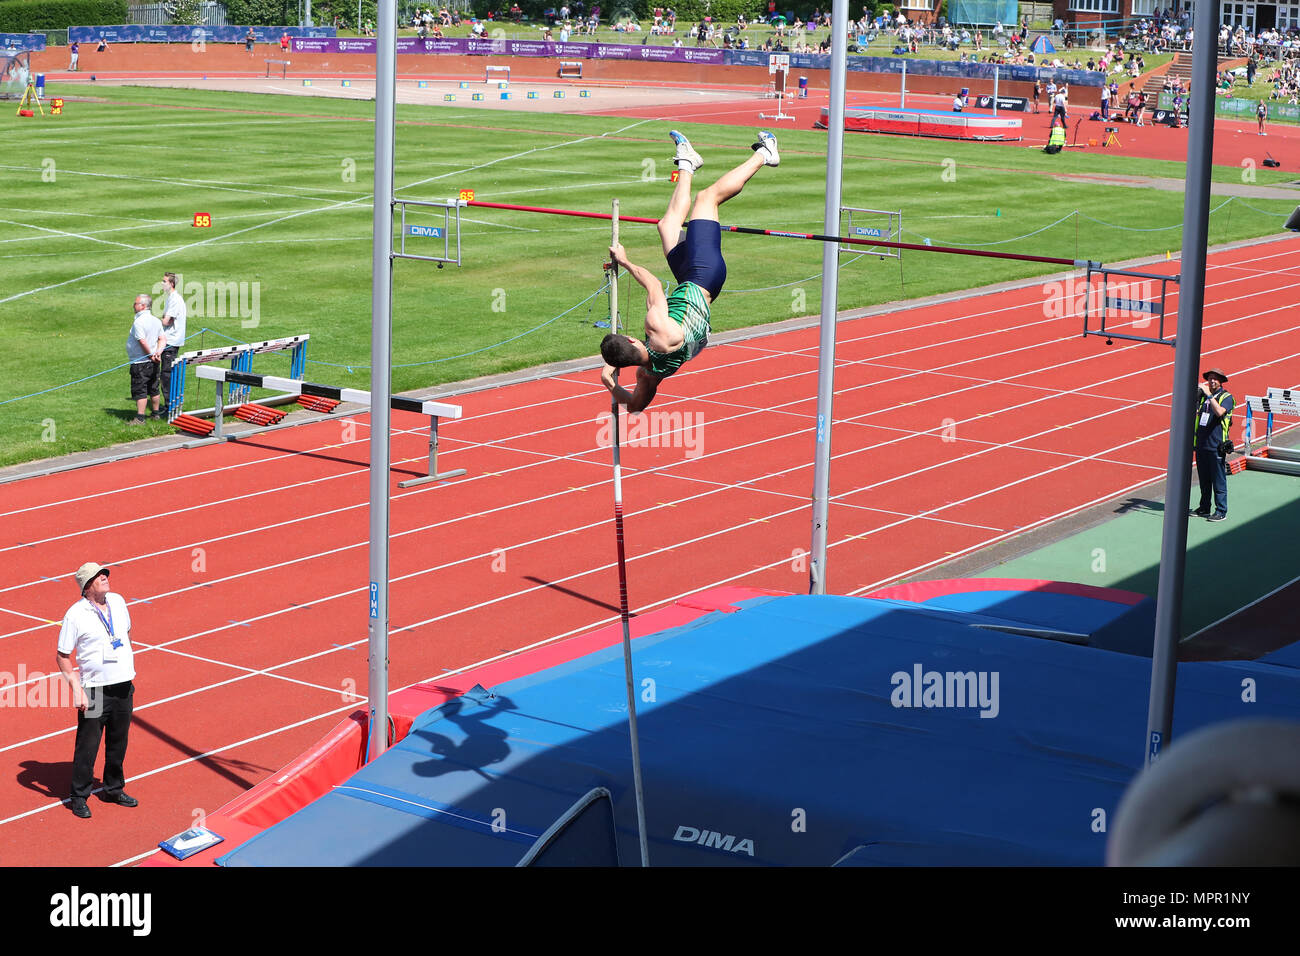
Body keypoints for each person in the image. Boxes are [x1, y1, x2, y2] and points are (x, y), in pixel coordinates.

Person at [600, 130, 780, 412]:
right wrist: (624, 261)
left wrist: (609, 382)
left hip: (693, 284)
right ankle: (765, 154)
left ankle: (688, 163)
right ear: (632, 339)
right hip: (703, 275)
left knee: (668, 226)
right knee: (707, 198)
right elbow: (653, 285)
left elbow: (635, 406)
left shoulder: (651, 374)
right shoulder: (656, 329)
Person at [57, 563, 138, 819]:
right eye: (98, 576)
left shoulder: (118, 601)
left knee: (118, 742)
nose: (105, 577)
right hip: (94, 691)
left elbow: (125, 633)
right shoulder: (75, 614)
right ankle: (79, 796)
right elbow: (62, 656)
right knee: (88, 746)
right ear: (87, 585)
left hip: (123, 685)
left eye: (105, 574)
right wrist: (77, 690)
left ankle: (113, 788)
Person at [1191, 368, 1234, 521]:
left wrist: (1209, 395)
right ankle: (1204, 508)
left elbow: (1220, 412)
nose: (1212, 381)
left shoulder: (1226, 397)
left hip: (1216, 446)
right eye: (1210, 378)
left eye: (1215, 378)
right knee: (1204, 479)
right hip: (1202, 444)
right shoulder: (1203, 397)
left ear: (1221, 381)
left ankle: (1221, 511)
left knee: (1218, 480)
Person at [126, 293, 165, 424]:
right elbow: (162, 339)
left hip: (140, 362)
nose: (133, 306)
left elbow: (142, 342)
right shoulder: (156, 320)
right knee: (154, 387)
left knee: (140, 389)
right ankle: (155, 414)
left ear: (143, 306)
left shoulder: (139, 322)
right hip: (153, 361)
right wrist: (157, 353)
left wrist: (150, 355)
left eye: (136, 303)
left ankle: (140, 418)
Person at [158, 272, 187, 414]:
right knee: (166, 373)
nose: (162, 284)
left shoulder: (175, 299)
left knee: (166, 374)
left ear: (172, 284)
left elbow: (166, 321)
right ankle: (169, 405)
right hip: (171, 340)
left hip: (171, 341)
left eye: (164, 281)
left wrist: (160, 320)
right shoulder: (172, 298)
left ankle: (169, 406)